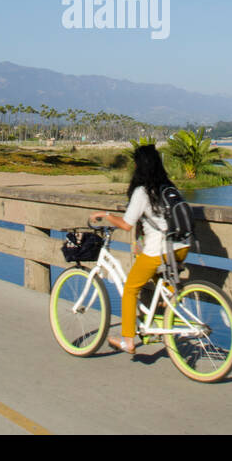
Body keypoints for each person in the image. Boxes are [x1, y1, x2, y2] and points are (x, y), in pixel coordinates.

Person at [89, 144, 191, 354]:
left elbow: (127, 224)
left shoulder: (142, 191)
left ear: (138, 166)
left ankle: (128, 339)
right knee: (158, 280)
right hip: (181, 246)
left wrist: (106, 216)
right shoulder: (167, 187)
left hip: (159, 251)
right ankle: (163, 320)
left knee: (130, 290)